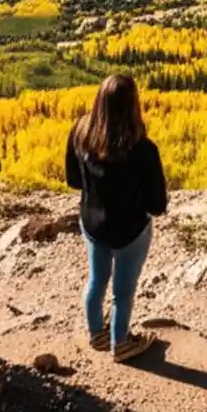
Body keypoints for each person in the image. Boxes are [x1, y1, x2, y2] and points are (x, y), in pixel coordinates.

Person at [66, 74, 168, 363]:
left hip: (93, 226)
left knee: (97, 280)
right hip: (130, 232)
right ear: (133, 104)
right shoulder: (144, 149)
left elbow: (73, 180)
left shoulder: (80, 132)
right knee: (122, 292)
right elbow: (157, 205)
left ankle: (97, 333)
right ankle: (120, 343)